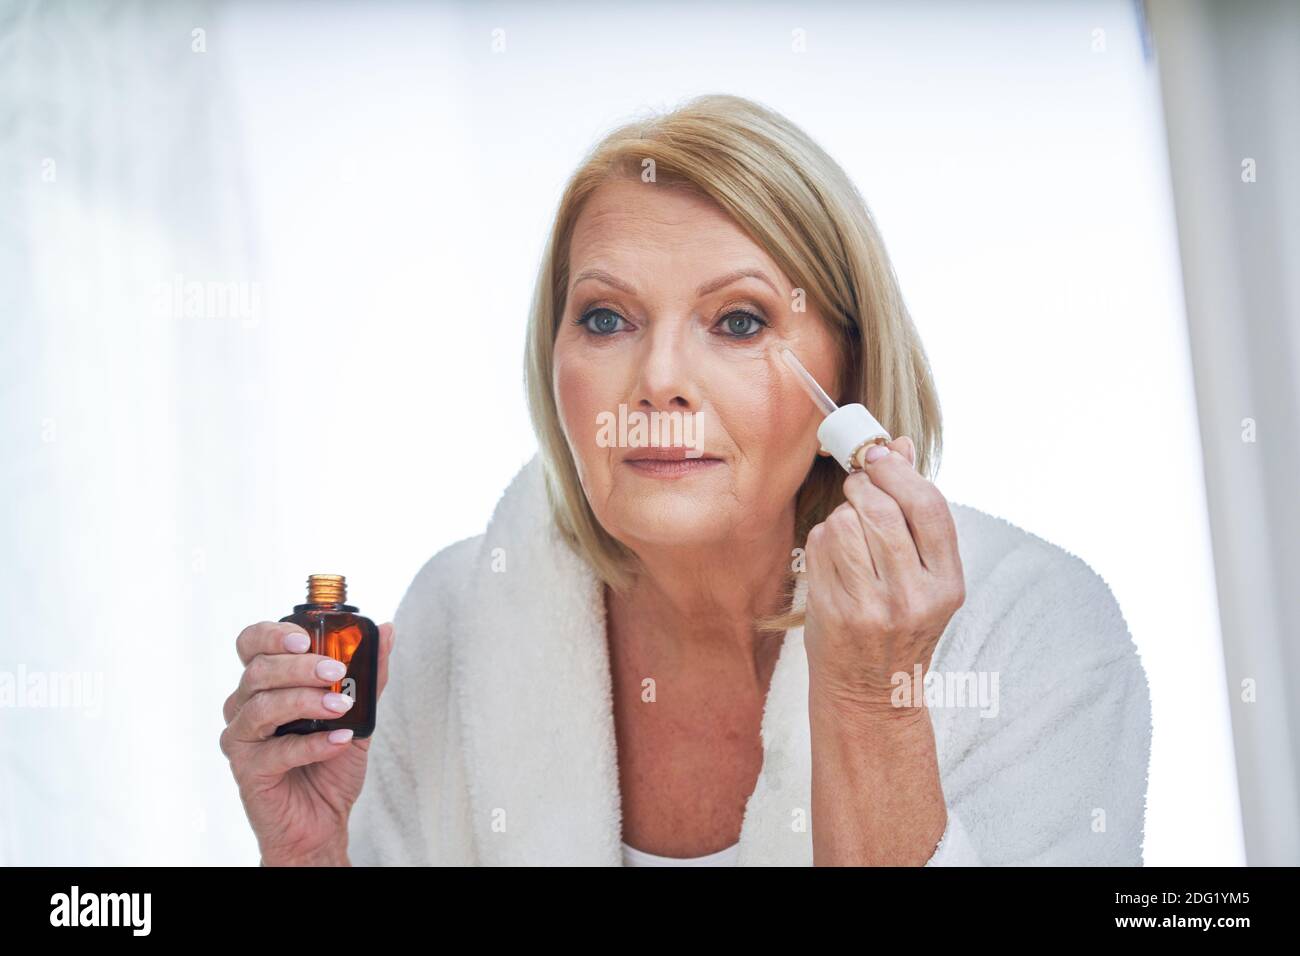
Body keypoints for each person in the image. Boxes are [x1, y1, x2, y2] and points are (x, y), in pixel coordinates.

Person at [221, 93, 1152, 866]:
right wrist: (313, 857)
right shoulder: (460, 618)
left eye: (739, 322)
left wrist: (876, 701)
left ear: (850, 376)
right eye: (607, 319)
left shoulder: (1034, 635)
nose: (658, 376)